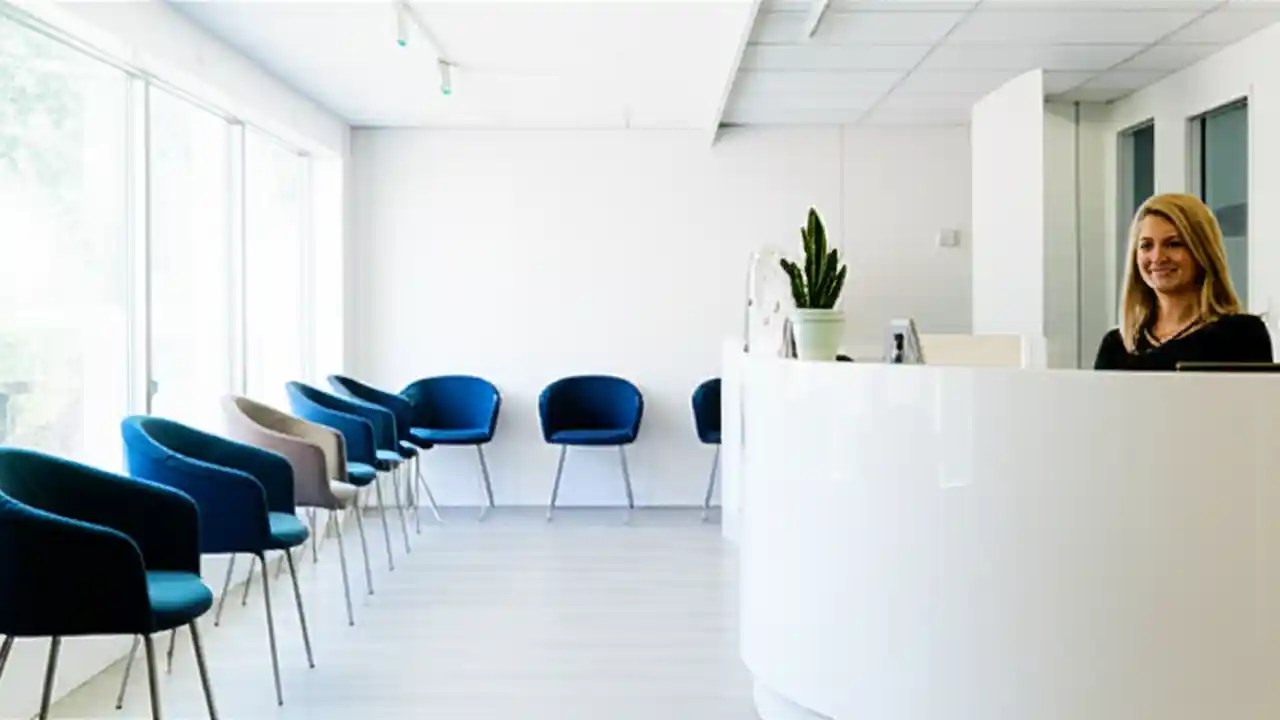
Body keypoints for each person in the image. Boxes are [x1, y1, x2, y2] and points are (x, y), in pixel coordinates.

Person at [1094, 193, 1272, 371]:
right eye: (1146, 246)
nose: (1158, 257)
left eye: (1173, 244)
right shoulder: (1117, 346)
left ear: (1202, 251)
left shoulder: (1242, 335)